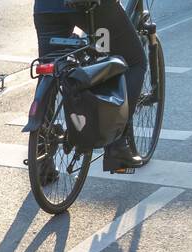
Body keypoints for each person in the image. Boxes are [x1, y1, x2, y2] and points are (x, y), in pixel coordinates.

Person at [33, 0, 146, 172]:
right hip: (89, 5)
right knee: (135, 61)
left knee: (50, 69)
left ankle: (40, 158)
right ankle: (117, 145)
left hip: (45, 7)